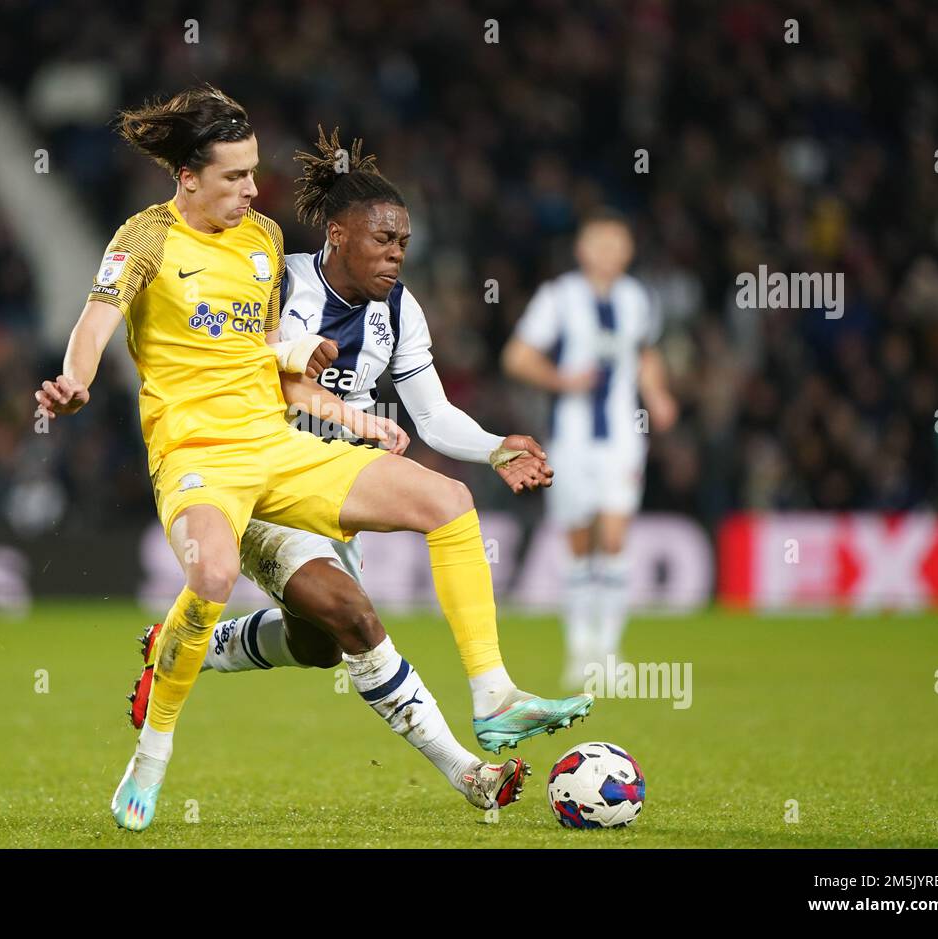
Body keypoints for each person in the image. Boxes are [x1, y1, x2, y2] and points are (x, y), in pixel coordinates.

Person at [36, 88, 587, 832]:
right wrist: (76, 382)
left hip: (279, 445)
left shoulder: (261, 240)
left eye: (253, 172)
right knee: (218, 576)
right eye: (233, 177)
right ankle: (154, 752)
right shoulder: (146, 238)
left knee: (444, 506)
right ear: (188, 176)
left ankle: (494, 696)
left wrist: (354, 415)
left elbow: (270, 368)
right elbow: (95, 323)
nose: (251, 190)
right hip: (197, 453)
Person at [502, 210, 678, 688]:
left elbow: (645, 354)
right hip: (571, 439)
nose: (607, 253)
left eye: (616, 244)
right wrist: (560, 380)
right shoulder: (559, 297)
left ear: (628, 251)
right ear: (582, 250)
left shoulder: (637, 299)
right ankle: (580, 651)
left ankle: (610, 653)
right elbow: (517, 356)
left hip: (623, 438)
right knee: (579, 544)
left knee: (616, 540)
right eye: (598, 244)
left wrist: (657, 395)